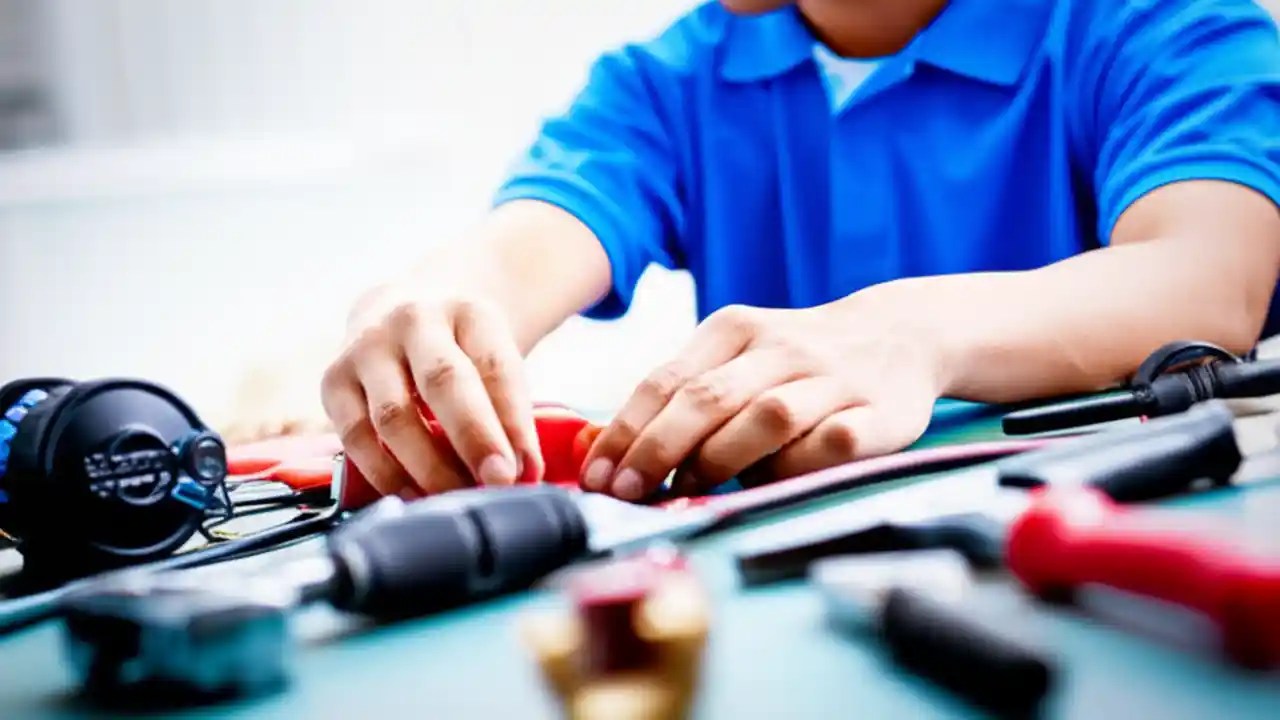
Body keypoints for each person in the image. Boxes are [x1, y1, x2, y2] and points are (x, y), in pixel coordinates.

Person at [299, 0, 1280, 503]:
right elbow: (527, 245)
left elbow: (1207, 278)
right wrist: (430, 308)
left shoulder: (1160, 25)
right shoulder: (673, 78)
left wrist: (911, 335)